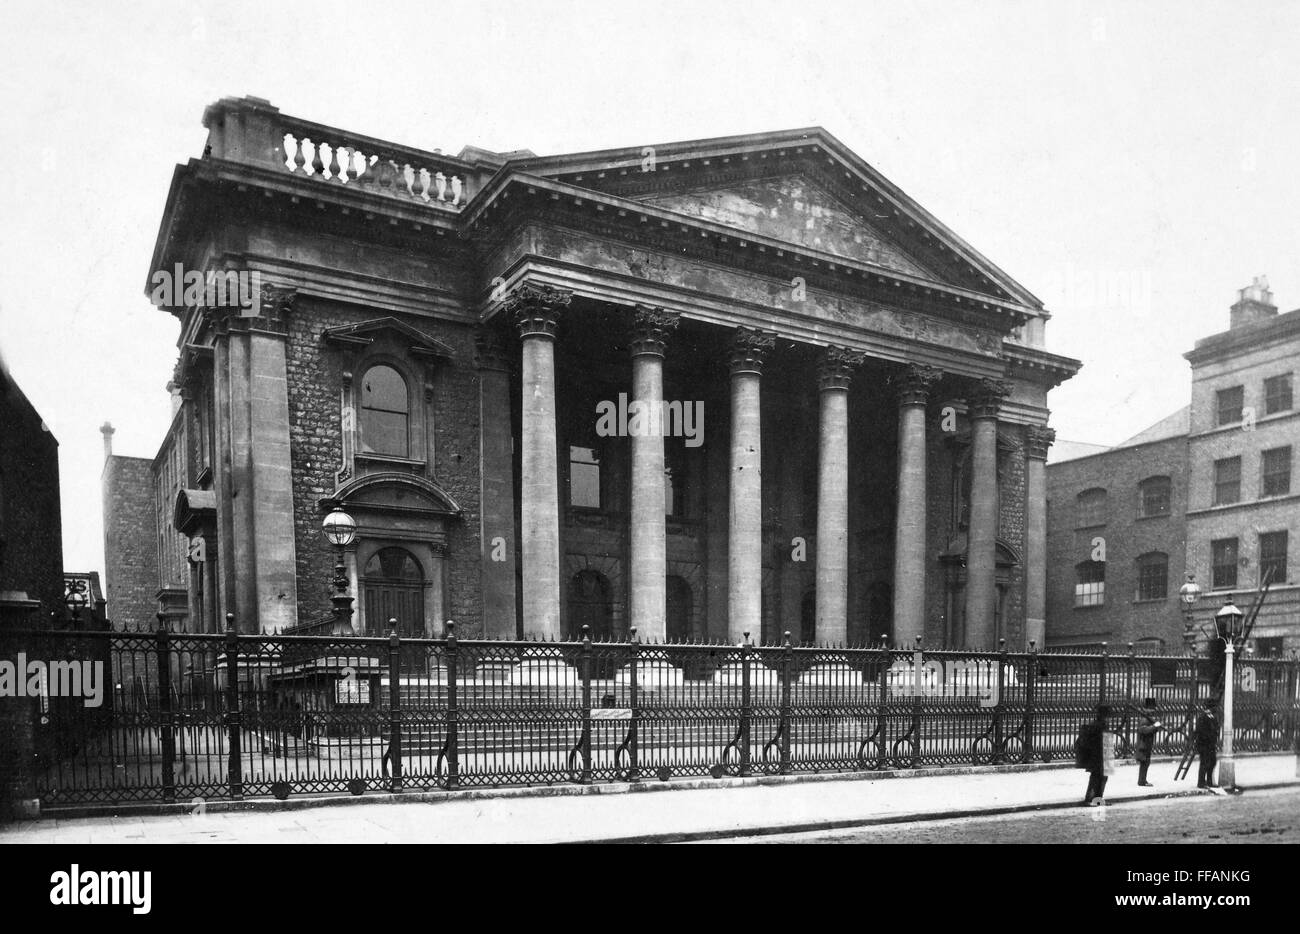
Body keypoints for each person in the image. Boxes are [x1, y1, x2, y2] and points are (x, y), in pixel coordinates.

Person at [1076, 705, 1113, 805]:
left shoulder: (1097, 725)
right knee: (1098, 778)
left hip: (1098, 756)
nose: (1109, 719)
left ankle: (1095, 799)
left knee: (1099, 777)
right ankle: (1091, 799)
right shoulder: (1100, 726)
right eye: (1108, 716)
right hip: (1099, 757)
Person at [1134, 698, 1163, 786]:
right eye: (1151, 709)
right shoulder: (1144, 719)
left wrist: (1155, 727)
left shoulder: (1148, 719)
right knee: (1144, 763)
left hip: (1147, 744)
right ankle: (1142, 781)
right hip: (1143, 745)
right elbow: (1144, 730)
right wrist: (1154, 726)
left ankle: (1143, 780)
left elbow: (1151, 730)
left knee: (1146, 763)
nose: (1152, 711)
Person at [1195, 700, 1219, 788]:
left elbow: (1216, 727)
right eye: (1214, 707)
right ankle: (1201, 783)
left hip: (1211, 745)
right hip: (1204, 744)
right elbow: (1200, 731)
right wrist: (1209, 737)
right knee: (1204, 763)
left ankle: (1209, 782)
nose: (1215, 709)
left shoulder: (1212, 716)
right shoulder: (1203, 717)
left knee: (1212, 762)